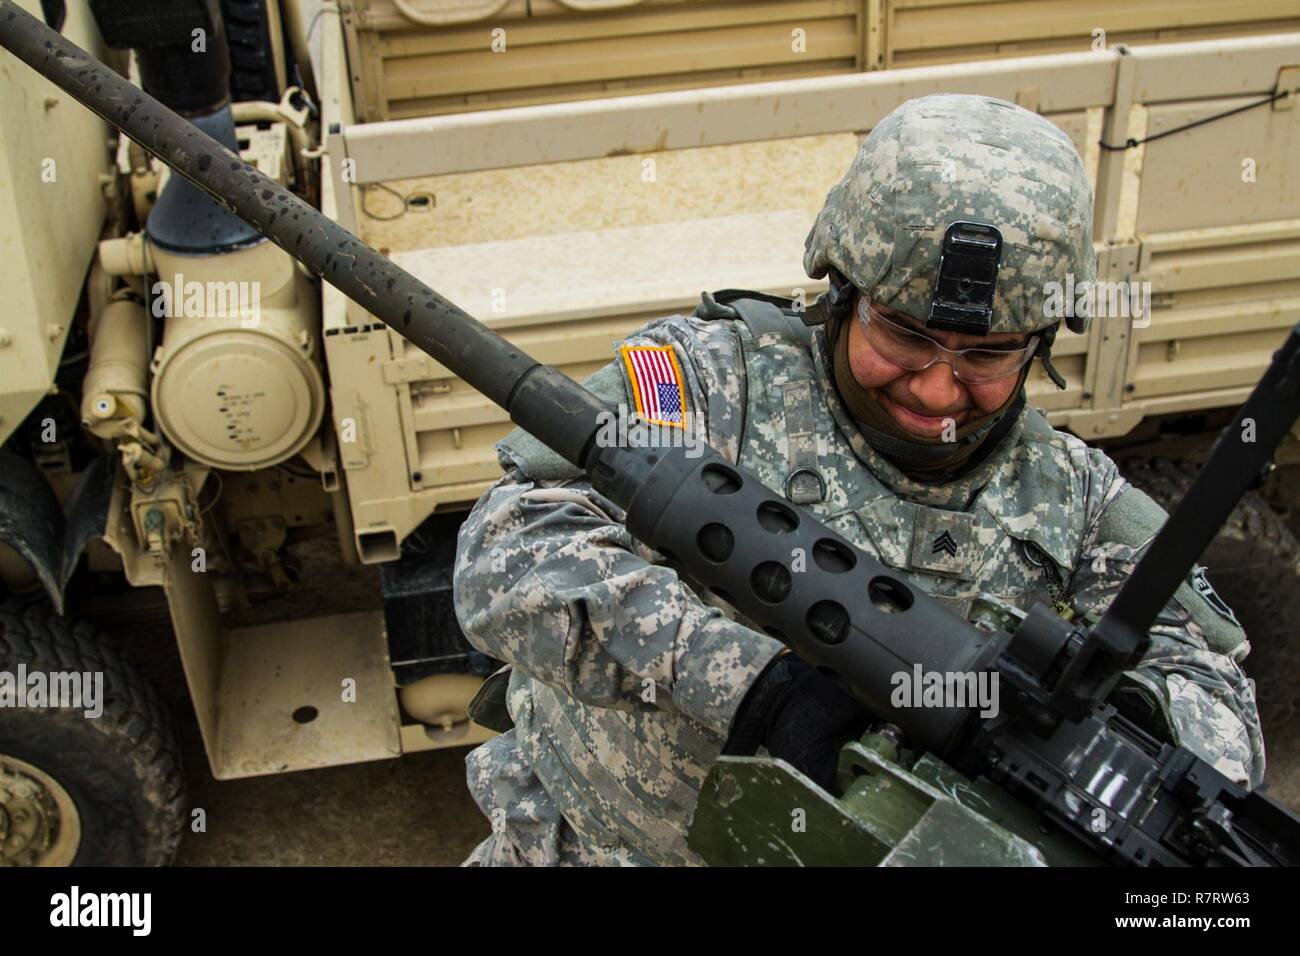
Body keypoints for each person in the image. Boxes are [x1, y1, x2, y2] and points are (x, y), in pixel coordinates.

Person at [451, 94, 1264, 866]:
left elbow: (1217, 696)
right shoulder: (702, 384)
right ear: (843, 291)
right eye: (905, 334)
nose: (937, 388)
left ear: (1040, 344)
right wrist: (753, 686)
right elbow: (509, 554)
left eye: (985, 354)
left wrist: (1120, 731)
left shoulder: (1080, 504)